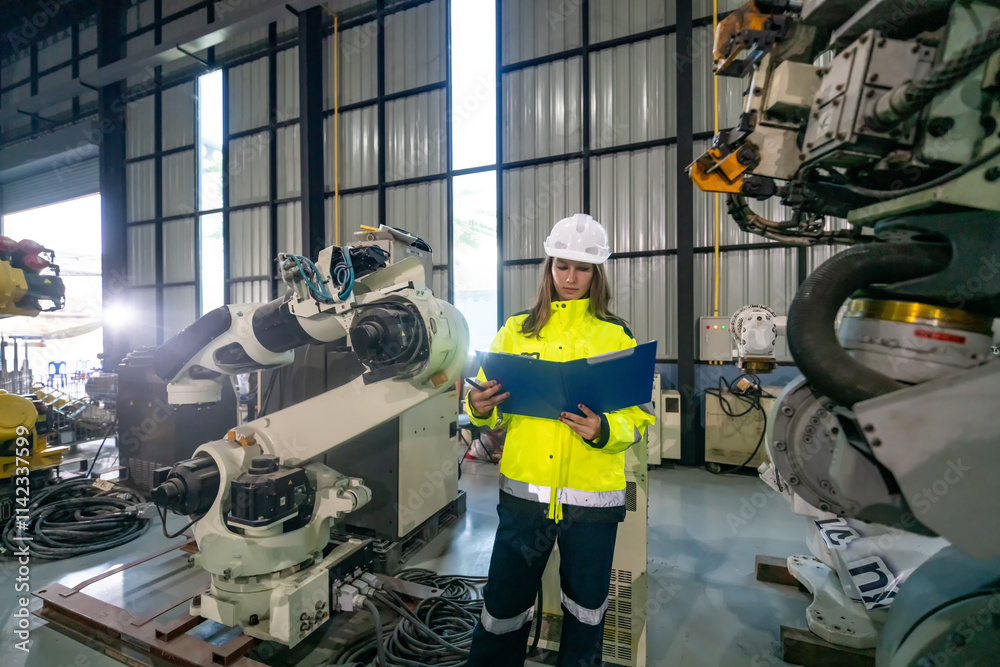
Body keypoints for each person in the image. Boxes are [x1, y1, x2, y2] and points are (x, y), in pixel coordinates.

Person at [464, 213, 656, 667]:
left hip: (591, 506)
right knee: (503, 606)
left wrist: (605, 430)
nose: (571, 278)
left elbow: (638, 416)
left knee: (586, 609)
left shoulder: (615, 335)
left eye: (582, 268)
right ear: (548, 268)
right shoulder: (516, 331)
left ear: (597, 273)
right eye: (562, 266)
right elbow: (481, 400)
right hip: (524, 497)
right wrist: (480, 405)